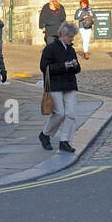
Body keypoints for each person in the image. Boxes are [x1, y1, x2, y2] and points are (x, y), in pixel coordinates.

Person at [38, 21, 81, 153]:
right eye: (70, 37)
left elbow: (78, 69)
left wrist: (75, 65)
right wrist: (63, 66)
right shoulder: (50, 48)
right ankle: (45, 134)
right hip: (55, 85)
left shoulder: (71, 50)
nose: (72, 39)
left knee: (71, 114)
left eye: (73, 36)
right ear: (62, 34)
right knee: (59, 113)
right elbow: (44, 67)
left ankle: (64, 141)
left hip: (69, 84)